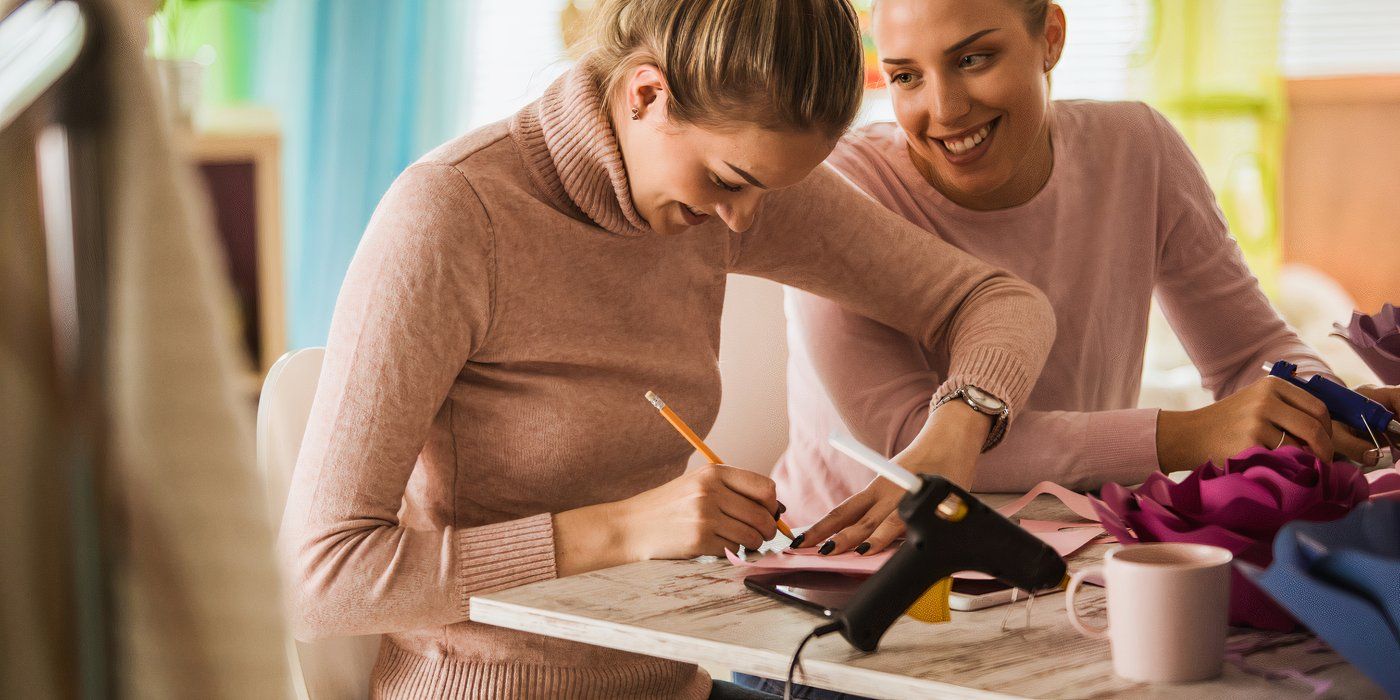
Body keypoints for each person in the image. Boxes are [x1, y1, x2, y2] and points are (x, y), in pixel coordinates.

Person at [278, 1, 1055, 697]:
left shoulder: (733, 186)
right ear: (645, 94)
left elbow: (998, 302)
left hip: (672, 678)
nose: (744, 223)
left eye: (766, 192)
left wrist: (955, 431)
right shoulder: (454, 213)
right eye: (731, 181)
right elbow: (318, 581)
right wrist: (622, 531)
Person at [775, 0, 1400, 562]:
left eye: (974, 58)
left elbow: (1249, 353)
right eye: (907, 75)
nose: (944, 109)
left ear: (1051, 37)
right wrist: (1192, 434)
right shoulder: (842, 189)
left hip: (1064, 561)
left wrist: (1333, 407)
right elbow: (918, 440)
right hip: (845, 580)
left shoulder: (1136, 147)